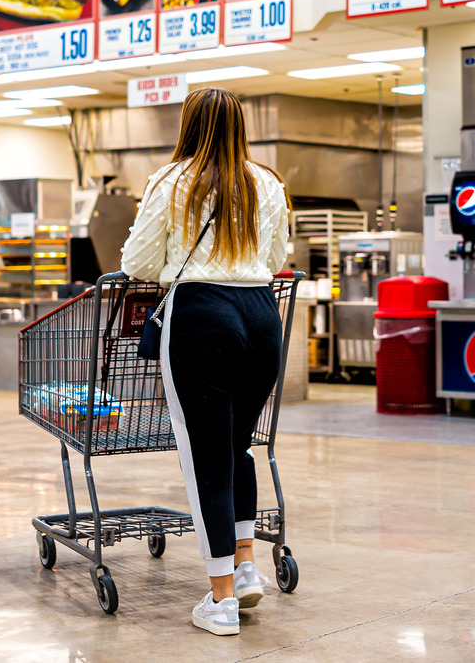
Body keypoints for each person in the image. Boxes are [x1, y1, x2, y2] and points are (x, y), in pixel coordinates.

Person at [119, 87, 291, 637]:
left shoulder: (170, 181)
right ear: (241, 125)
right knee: (238, 446)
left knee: (205, 459)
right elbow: (277, 257)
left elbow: (138, 261)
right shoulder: (267, 181)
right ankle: (243, 570)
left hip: (202, 316)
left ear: (187, 124)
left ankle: (218, 602)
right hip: (263, 317)